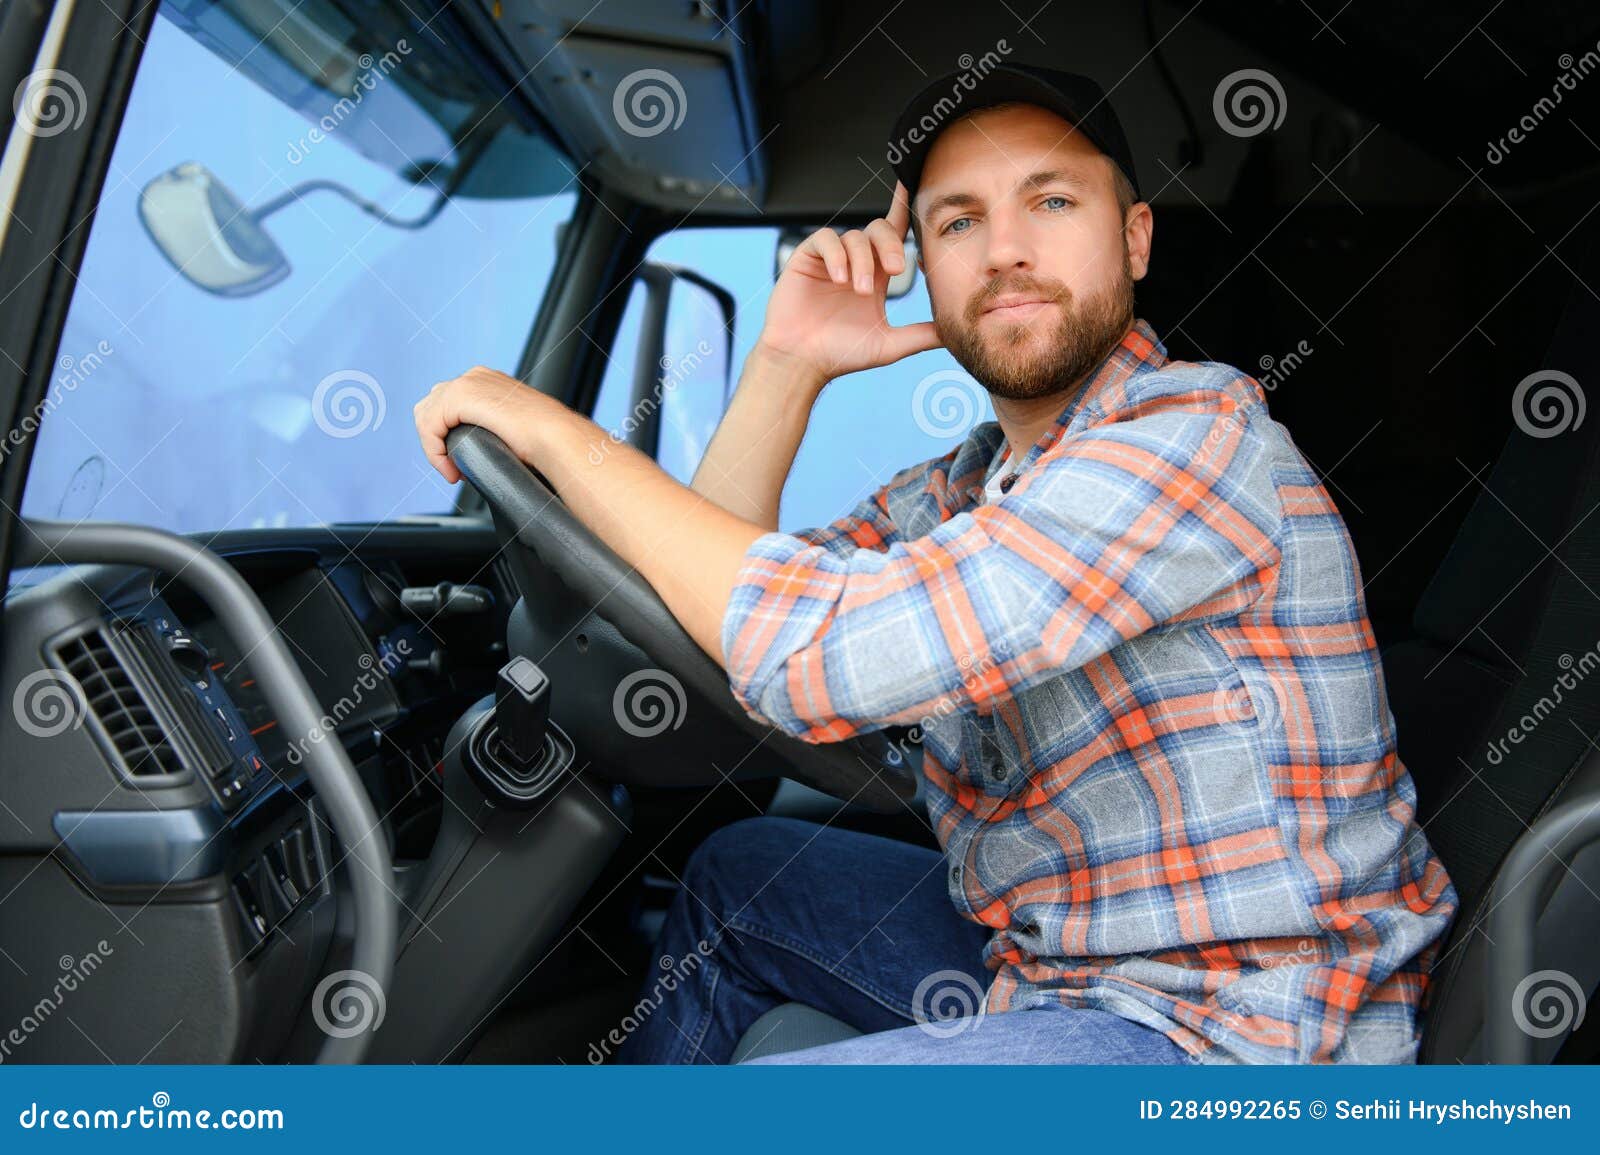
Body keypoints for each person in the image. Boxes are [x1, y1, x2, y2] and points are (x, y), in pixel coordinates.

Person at [413, 65, 1458, 1064]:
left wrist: (549, 430)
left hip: (1240, 1029)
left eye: (1052, 203)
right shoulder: (965, 489)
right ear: (925, 261)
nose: (1003, 250)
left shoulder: (1191, 439)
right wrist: (788, 365)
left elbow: (818, 651)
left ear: (1136, 239)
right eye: (957, 222)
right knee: (741, 877)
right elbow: (694, 609)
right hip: (1056, 966)